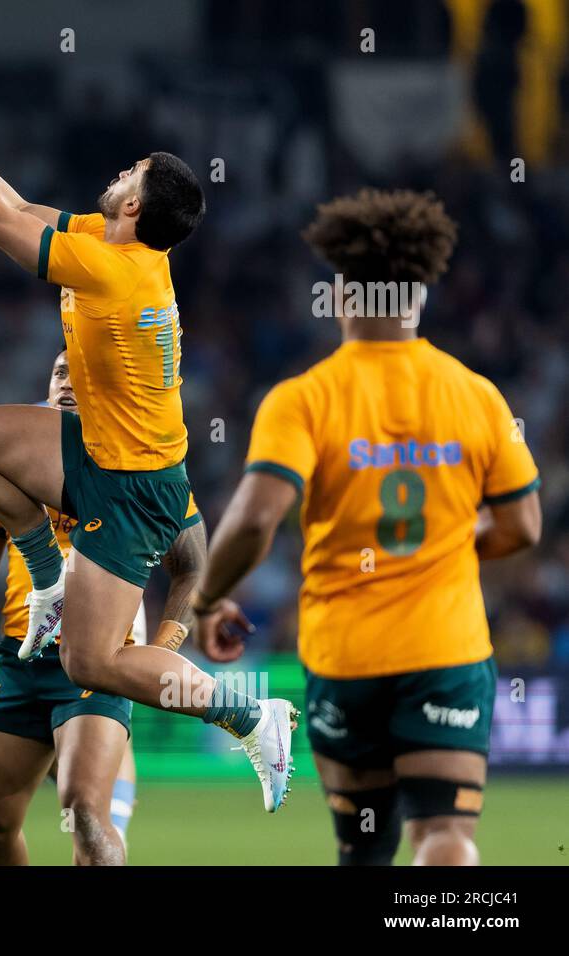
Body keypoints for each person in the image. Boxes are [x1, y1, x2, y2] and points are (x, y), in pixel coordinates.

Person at [0, 69, 296, 809]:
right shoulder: (112, 243)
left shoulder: (113, 270)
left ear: (134, 204)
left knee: (91, 661)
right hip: (100, 451)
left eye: (129, 172)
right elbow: (11, 203)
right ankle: (46, 573)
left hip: (135, 482)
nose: (117, 171)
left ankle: (252, 715)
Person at [192, 189, 541, 864]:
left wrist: (206, 600)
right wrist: (458, 543)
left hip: (345, 654)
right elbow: (523, 526)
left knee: (366, 849)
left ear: (343, 298)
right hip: (447, 650)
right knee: (444, 834)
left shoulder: (303, 398)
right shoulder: (477, 395)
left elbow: (256, 518)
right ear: (419, 298)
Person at [0, 350, 205, 864]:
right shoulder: (8, 462)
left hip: (97, 665)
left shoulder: (140, 468)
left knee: (83, 809)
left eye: (84, 375)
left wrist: (161, 652)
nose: (68, 384)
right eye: (61, 372)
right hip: (19, 664)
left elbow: (193, 566)